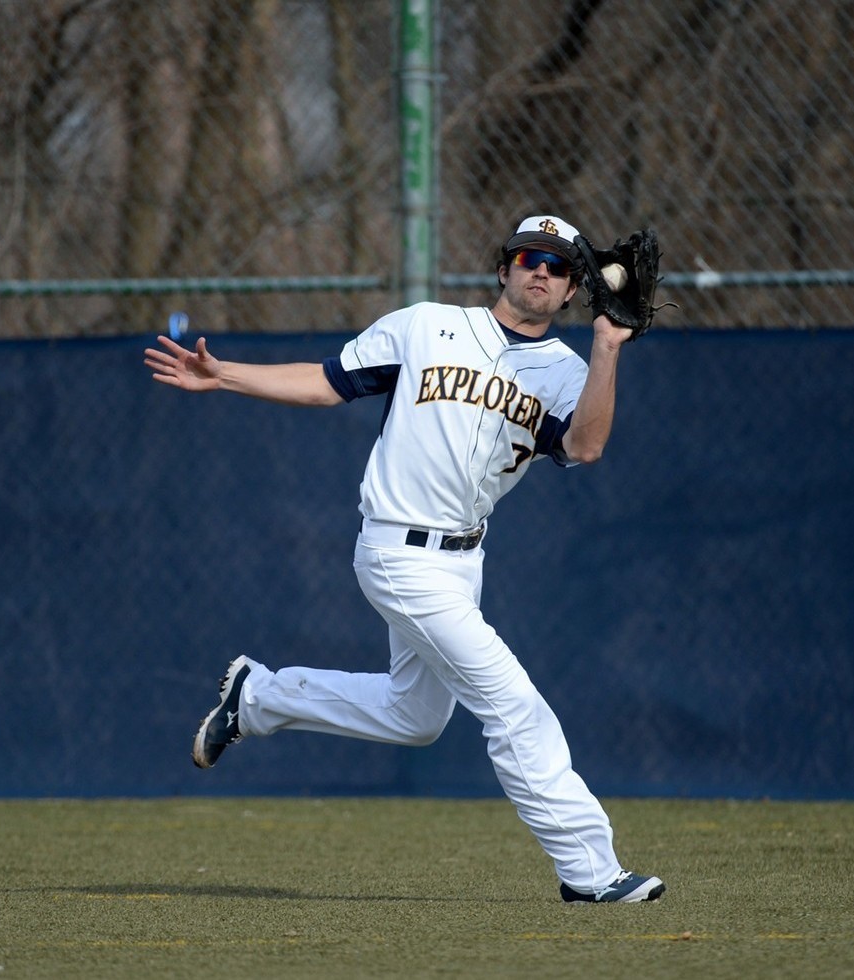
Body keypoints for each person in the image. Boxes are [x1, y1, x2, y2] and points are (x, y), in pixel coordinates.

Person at [143, 215, 664, 904]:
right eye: (529, 257)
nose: (542, 271)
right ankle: (591, 873)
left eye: (560, 266)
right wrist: (225, 376)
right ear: (504, 268)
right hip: (397, 550)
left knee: (416, 717)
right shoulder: (425, 326)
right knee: (514, 707)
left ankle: (258, 696)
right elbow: (327, 381)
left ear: (573, 290)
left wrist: (607, 349)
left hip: (462, 561)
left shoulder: (566, 372)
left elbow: (587, 446)